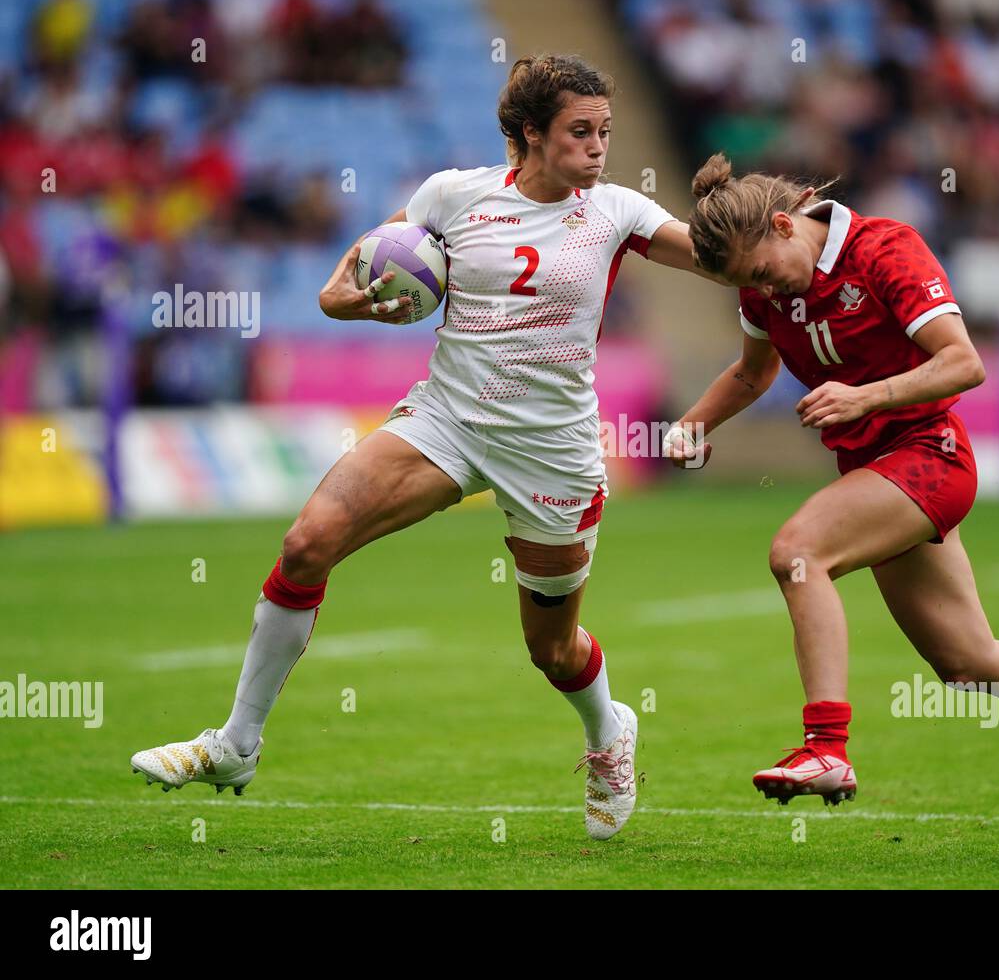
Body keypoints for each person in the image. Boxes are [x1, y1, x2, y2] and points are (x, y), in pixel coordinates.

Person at [129, 55, 716, 841]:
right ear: (530, 134)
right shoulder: (452, 195)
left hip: (551, 453)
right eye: (581, 132)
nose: (599, 147)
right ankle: (235, 743)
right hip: (446, 422)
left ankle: (609, 731)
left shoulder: (616, 212)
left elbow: (716, 258)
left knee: (552, 649)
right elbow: (366, 260)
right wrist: (344, 298)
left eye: (605, 131)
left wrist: (778, 245)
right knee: (306, 545)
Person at [663, 153, 999, 824]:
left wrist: (865, 397)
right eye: (745, 285)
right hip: (876, 473)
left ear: (786, 226)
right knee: (970, 664)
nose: (762, 292)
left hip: (927, 455)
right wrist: (690, 427)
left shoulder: (883, 250)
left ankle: (826, 747)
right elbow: (751, 373)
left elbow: (964, 363)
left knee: (798, 552)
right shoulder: (761, 284)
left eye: (760, 274)